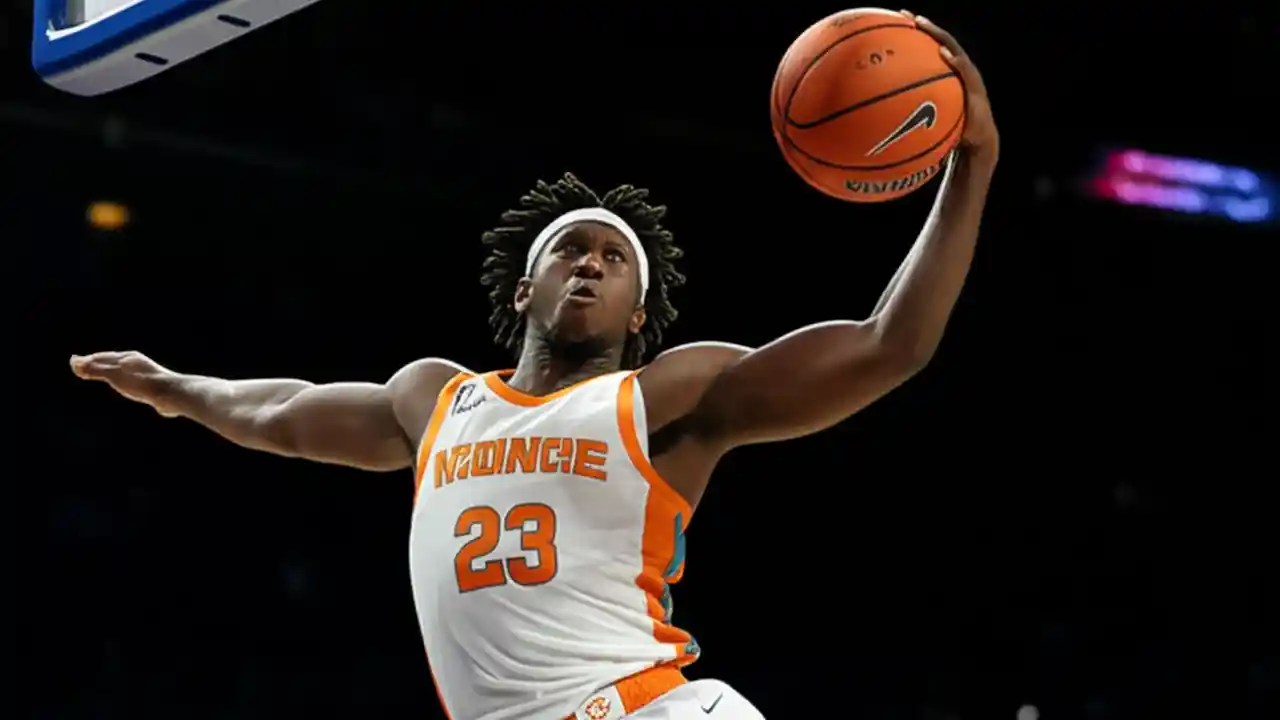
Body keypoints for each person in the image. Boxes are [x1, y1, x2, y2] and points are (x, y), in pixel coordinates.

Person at [69, 13, 998, 720]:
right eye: (570, 249)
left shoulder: (667, 395)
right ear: (523, 290)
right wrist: (174, 390)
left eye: (611, 256)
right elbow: (281, 411)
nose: (589, 262)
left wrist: (973, 165)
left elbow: (890, 344)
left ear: (639, 312)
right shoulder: (436, 399)